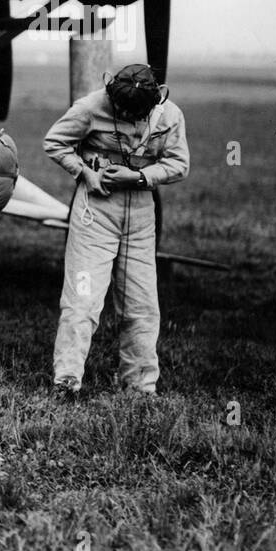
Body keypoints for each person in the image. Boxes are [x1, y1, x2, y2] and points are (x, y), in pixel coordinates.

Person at [43, 63, 189, 398]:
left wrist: (140, 177)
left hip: (140, 216)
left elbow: (180, 164)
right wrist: (84, 173)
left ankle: (139, 386)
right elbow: (55, 142)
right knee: (82, 300)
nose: (126, 114)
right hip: (96, 212)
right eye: (121, 108)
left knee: (142, 305)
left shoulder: (170, 116)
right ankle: (66, 382)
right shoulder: (90, 107)